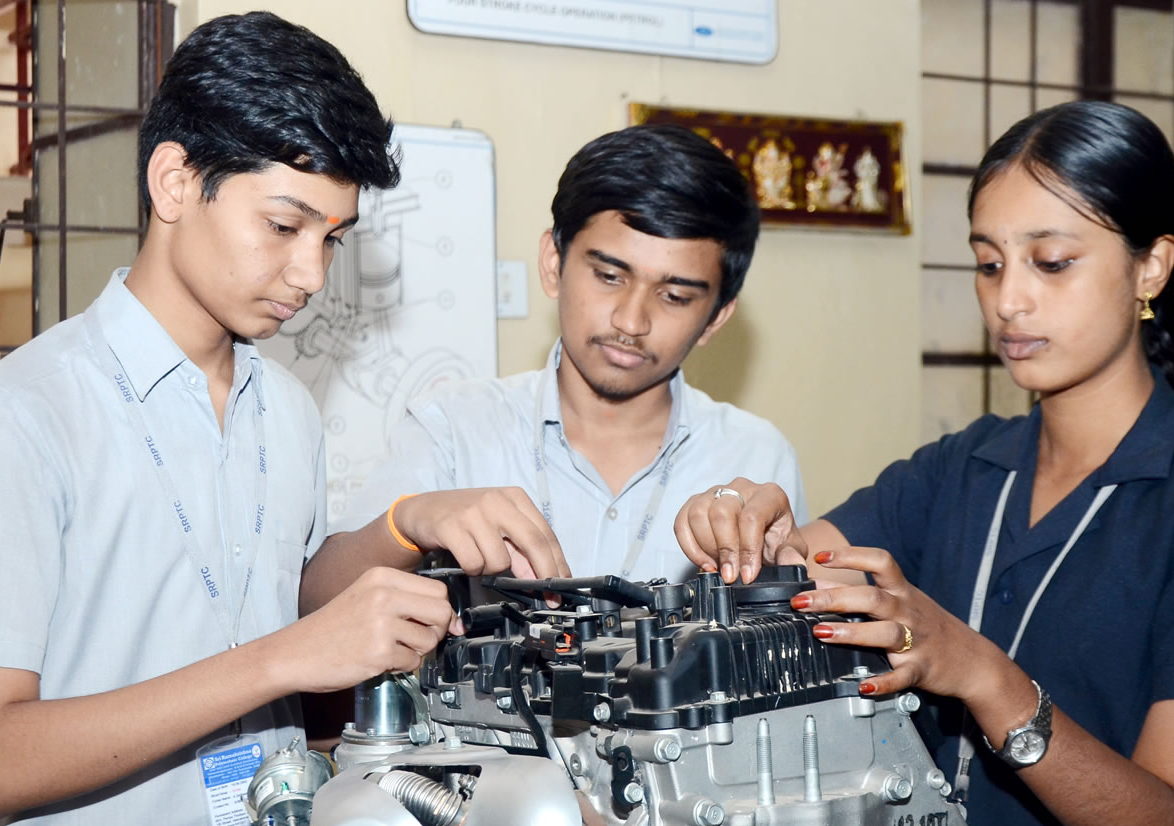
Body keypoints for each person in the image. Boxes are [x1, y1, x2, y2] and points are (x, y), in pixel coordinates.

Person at [674, 101, 1174, 826]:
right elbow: (794, 565)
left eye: (1052, 262)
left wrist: (981, 673)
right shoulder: (959, 470)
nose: (1008, 299)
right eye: (988, 263)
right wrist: (747, 523)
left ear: (1152, 265)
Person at [0, 13, 463, 826]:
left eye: (333, 237)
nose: (311, 275)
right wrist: (281, 661)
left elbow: (292, 600)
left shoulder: (284, 404)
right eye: (283, 226)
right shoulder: (16, 418)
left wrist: (407, 528)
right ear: (175, 184)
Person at [302, 123, 807, 621]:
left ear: (716, 316)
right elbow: (313, 605)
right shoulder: (453, 427)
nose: (631, 321)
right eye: (608, 276)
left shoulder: (757, 457)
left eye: (675, 296)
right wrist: (406, 523)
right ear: (553, 262)